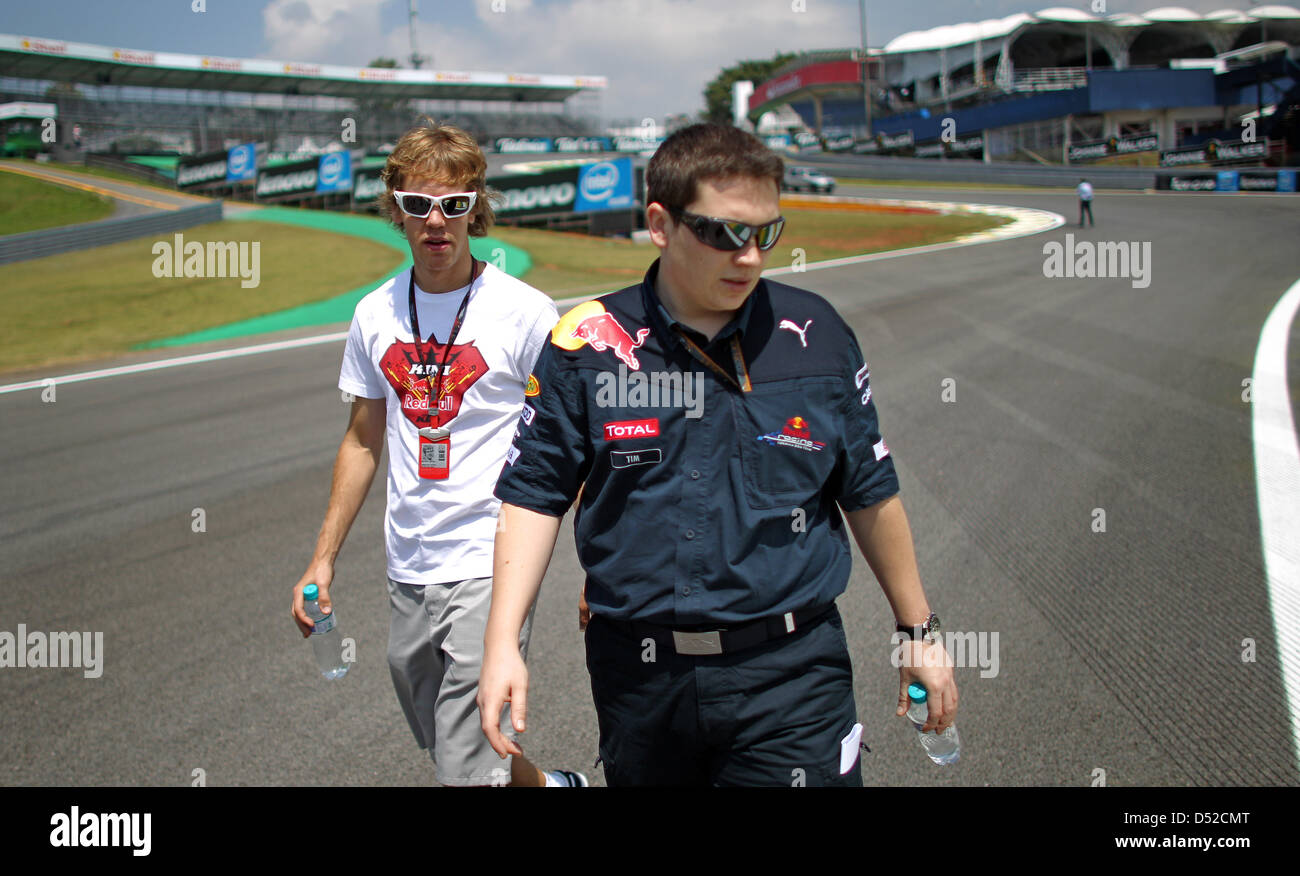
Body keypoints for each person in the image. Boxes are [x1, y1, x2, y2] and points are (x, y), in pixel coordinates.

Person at [478, 122, 958, 786]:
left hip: (792, 673)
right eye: (723, 233)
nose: (750, 256)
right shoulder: (587, 343)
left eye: (765, 233)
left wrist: (918, 631)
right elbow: (533, 493)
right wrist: (502, 643)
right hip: (640, 676)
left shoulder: (817, 337)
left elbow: (868, 488)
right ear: (659, 223)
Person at [290, 119, 585, 787]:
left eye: (453, 204)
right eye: (419, 203)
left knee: (463, 768)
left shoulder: (525, 313)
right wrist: (323, 557)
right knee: (462, 750)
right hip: (409, 565)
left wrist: (602, 562)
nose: (437, 221)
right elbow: (364, 438)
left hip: (493, 560)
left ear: (475, 207)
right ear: (395, 208)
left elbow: (574, 439)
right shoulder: (374, 315)